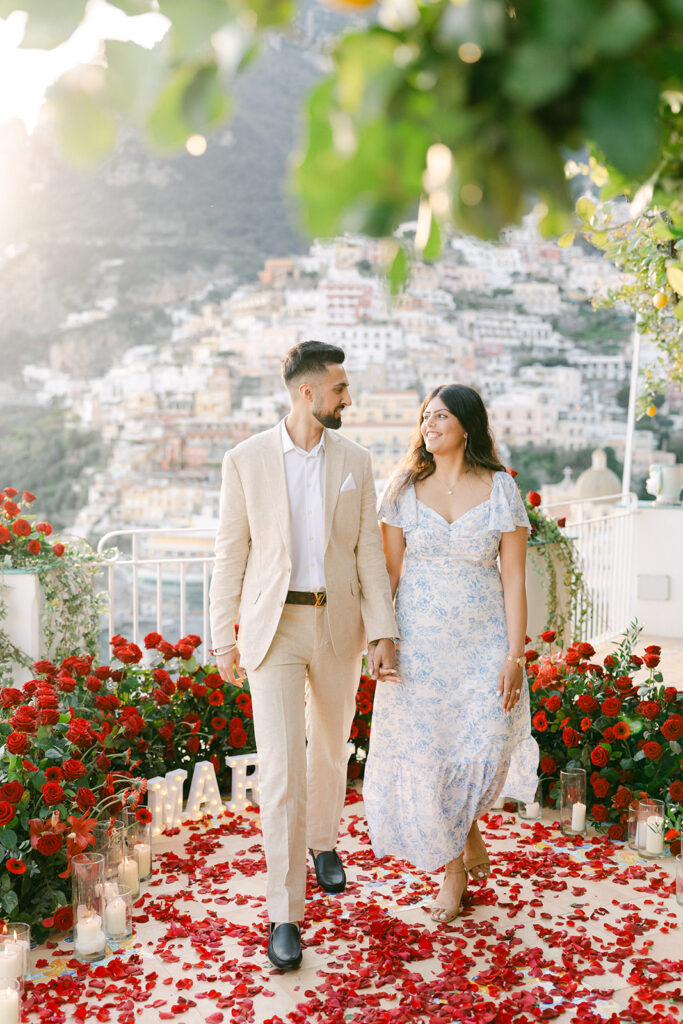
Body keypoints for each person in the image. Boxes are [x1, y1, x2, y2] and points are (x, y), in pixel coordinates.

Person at [209, 340, 398, 970]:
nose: (349, 397)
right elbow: (230, 553)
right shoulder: (246, 460)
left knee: (332, 749)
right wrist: (223, 637)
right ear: (306, 394)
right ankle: (284, 913)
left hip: (338, 624)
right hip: (275, 629)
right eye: (340, 388)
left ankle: (323, 844)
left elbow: (368, 553)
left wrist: (383, 630)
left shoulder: (356, 460)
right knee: (285, 768)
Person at [363, 384, 539, 924]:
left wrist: (515, 655)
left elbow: (513, 578)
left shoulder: (501, 490)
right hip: (420, 645)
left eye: (441, 415)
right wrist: (381, 637)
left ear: (466, 425)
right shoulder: (402, 488)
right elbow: (388, 574)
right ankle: (454, 868)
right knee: (433, 750)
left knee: (482, 744)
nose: (429, 423)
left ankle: (466, 827)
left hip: (484, 643)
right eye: (425, 416)